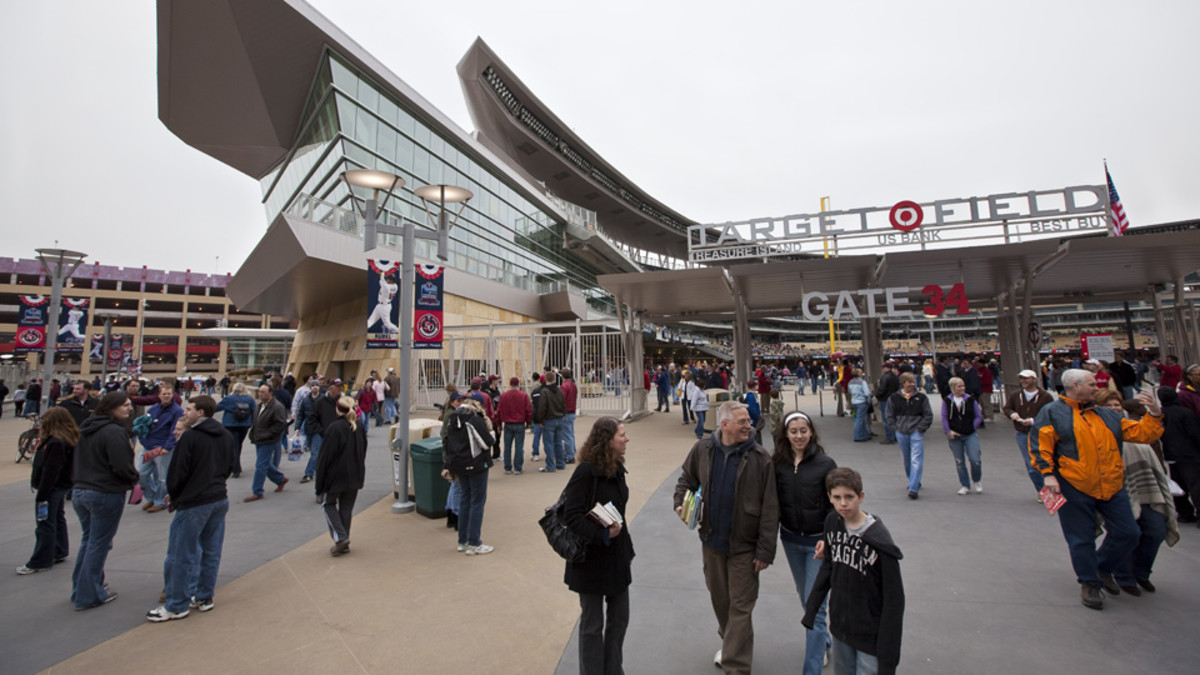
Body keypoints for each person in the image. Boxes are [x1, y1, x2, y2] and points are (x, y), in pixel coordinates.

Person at [1029, 369, 1163, 609]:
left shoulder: (1107, 415)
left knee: (1129, 532)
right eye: (1091, 384)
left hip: (1112, 485)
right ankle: (1089, 582)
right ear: (1074, 386)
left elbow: (1142, 434)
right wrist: (1048, 475)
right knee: (1081, 538)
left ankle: (1101, 567)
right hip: (1073, 486)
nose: (1096, 387)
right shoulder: (1053, 413)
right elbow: (1040, 447)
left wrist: (1153, 413)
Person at [673, 401, 778, 675]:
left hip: (745, 547)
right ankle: (732, 643)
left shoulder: (760, 458)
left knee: (741, 606)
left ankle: (735, 665)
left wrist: (765, 551)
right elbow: (686, 478)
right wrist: (680, 503)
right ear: (724, 425)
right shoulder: (702, 450)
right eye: (743, 422)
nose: (749, 426)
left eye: (749, 421)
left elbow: (770, 509)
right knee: (721, 601)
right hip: (711, 542)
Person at [802, 467, 905, 675]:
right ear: (829, 498)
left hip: (870, 632)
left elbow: (894, 599)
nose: (843, 503)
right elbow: (829, 566)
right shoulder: (832, 522)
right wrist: (812, 607)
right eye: (837, 497)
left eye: (849, 497)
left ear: (861, 497)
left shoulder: (879, 541)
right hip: (841, 626)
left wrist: (889, 654)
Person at [145, 395, 235, 621]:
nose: (185, 412)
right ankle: (204, 596)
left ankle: (176, 604)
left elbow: (177, 473)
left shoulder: (190, 438)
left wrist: (174, 496)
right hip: (218, 497)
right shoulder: (224, 434)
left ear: (201, 412)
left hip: (194, 501)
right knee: (211, 551)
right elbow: (229, 465)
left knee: (181, 553)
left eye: (189, 409)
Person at [562, 417, 634, 675]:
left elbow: (621, 515)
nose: (626, 439)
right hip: (590, 559)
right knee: (592, 624)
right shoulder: (586, 472)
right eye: (621, 435)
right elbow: (571, 515)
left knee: (619, 619)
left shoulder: (617, 468)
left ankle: (614, 670)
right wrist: (602, 535)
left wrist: (628, 550)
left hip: (616, 557)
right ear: (607, 440)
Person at [773, 412, 836, 674]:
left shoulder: (825, 464)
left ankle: (812, 668)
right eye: (794, 431)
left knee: (815, 606)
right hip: (790, 539)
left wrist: (828, 537)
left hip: (818, 543)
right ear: (786, 435)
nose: (799, 436)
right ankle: (822, 639)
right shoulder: (778, 464)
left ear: (811, 433)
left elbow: (836, 504)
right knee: (805, 597)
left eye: (803, 431)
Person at [71, 391, 138, 610]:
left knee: (89, 540)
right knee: (99, 543)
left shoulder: (87, 429)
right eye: (125, 405)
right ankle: (89, 594)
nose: (129, 409)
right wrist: (134, 479)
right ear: (112, 408)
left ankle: (81, 588)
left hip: (81, 490)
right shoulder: (114, 433)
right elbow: (121, 466)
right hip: (105, 492)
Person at [1110, 397, 1179, 595]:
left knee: (1156, 531)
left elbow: (1154, 442)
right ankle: (1124, 576)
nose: (1114, 408)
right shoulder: (1100, 432)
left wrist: (1155, 412)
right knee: (1129, 534)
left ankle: (1142, 573)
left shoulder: (1137, 427)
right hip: (1118, 490)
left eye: (1117, 405)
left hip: (1147, 486)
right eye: (1109, 406)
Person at [17, 407, 78, 575]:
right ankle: (59, 549)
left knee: (45, 523)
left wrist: (42, 493)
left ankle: (41, 559)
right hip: (61, 486)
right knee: (57, 518)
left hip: (51, 488)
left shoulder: (55, 443)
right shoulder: (66, 440)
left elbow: (51, 470)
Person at [442, 392, 496, 554]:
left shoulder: (453, 420)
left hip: (458, 464)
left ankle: (462, 540)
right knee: (477, 502)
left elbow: (447, 443)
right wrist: (491, 433)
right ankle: (474, 542)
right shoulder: (473, 420)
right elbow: (487, 442)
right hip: (476, 464)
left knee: (465, 499)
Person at [315, 395, 368, 556]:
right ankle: (343, 539)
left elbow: (325, 457)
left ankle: (341, 537)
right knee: (346, 508)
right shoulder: (358, 426)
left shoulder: (334, 428)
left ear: (338, 409)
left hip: (336, 476)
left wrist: (319, 485)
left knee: (328, 505)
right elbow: (363, 450)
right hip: (355, 474)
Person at [1003, 369, 1055, 496]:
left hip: (1040, 434)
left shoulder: (1045, 397)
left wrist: (1033, 421)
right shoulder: (1015, 395)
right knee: (1031, 467)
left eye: (1026, 378)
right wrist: (1013, 414)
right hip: (1022, 433)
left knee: (1044, 462)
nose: (1023, 381)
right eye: (1021, 378)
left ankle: (1050, 489)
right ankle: (1042, 492)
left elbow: (1052, 414)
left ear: (1034, 379)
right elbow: (1007, 408)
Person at [885, 373, 933, 499]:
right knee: (907, 460)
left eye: (913, 382)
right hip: (901, 431)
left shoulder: (921, 398)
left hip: (916, 432)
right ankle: (913, 479)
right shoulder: (894, 398)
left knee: (916, 459)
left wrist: (920, 428)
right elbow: (889, 414)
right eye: (909, 382)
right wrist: (895, 428)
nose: (912, 384)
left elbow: (928, 415)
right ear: (903, 383)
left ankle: (913, 488)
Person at [1156, 386, 1200, 524]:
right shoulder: (1185, 413)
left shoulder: (1159, 414)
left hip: (1170, 455)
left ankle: (1184, 513)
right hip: (1189, 454)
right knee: (1195, 484)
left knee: (1179, 484)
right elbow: (1195, 433)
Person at [138, 387, 184, 513]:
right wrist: (143, 439)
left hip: (163, 448)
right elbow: (144, 425)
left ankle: (160, 501)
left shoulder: (177, 411)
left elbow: (174, 431)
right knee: (141, 474)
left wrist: (167, 447)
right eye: (164, 394)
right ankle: (152, 496)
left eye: (169, 394)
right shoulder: (153, 409)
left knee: (162, 478)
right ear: (159, 395)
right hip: (149, 447)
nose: (166, 396)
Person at [244, 385, 289, 501]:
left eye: (263, 392)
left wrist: (268, 434)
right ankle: (280, 479)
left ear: (270, 393)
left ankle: (257, 491)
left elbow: (280, 424)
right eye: (259, 392)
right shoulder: (260, 406)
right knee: (265, 463)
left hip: (268, 440)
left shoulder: (277, 407)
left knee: (260, 465)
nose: (260, 394)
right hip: (258, 438)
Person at [940, 377, 983, 495]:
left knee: (975, 459)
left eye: (963, 386)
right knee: (959, 461)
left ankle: (977, 480)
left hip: (970, 433)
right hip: (955, 434)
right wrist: (948, 431)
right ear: (953, 388)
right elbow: (944, 418)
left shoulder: (970, 400)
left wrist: (972, 427)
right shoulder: (947, 401)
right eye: (959, 386)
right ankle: (965, 484)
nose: (962, 388)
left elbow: (978, 416)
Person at [304, 378, 343, 484]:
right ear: (331, 388)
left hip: (338, 435)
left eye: (341, 386)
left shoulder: (342, 401)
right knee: (317, 455)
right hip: (322, 434)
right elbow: (312, 418)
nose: (340, 388)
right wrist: (320, 430)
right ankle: (309, 473)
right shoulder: (321, 402)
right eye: (337, 386)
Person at [217, 382, 256, 478]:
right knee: (238, 444)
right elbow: (254, 411)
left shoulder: (229, 399)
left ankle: (235, 468)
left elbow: (217, 407)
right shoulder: (250, 399)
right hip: (244, 425)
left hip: (230, 424)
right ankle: (236, 466)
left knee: (234, 446)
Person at [498, 376, 533, 474]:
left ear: (510, 384)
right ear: (518, 384)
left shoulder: (504, 396)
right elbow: (528, 410)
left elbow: (499, 410)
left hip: (508, 423)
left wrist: (499, 423)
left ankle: (507, 467)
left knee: (507, 446)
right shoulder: (524, 395)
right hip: (520, 423)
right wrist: (528, 422)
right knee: (519, 446)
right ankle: (518, 468)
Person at [533, 372, 567, 473]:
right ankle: (560, 463)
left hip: (549, 419)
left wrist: (540, 419)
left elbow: (542, 407)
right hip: (559, 418)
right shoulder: (560, 390)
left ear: (545, 379)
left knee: (548, 443)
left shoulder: (545, 391)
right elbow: (563, 404)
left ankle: (550, 465)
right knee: (558, 442)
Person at [875, 364, 899, 445]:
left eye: (883, 368)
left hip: (885, 399)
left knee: (886, 419)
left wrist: (877, 395)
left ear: (887, 368)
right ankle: (895, 436)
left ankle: (889, 437)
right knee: (893, 418)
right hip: (894, 399)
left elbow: (882, 389)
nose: (882, 369)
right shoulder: (894, 377)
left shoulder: (885, 377)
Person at [847, 369, 872, 442]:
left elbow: (849, 391)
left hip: (854, 402)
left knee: (859, 419)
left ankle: (866, 434)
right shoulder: (862, 382)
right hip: (862, 402)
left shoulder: (850, 382)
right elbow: (867, 393)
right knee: (860, 420)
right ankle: (858, 436)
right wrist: (868, 401)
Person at [561, 368, 579, 464]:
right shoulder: (573, 385)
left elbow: (561, 399)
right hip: (572, 411)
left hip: (566, 412)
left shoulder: (564, 386)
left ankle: (569, 455)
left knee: (566, 435)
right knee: (570, 434)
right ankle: (571, 451)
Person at [686, 371, 710, 441]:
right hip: (698, 408)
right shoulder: (697, 391)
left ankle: (697, 430)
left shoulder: (702, 391)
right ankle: (699, 434)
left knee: (703, 420)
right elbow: (694, 400)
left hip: (704, 408)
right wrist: (692, 408)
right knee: (701, 421)